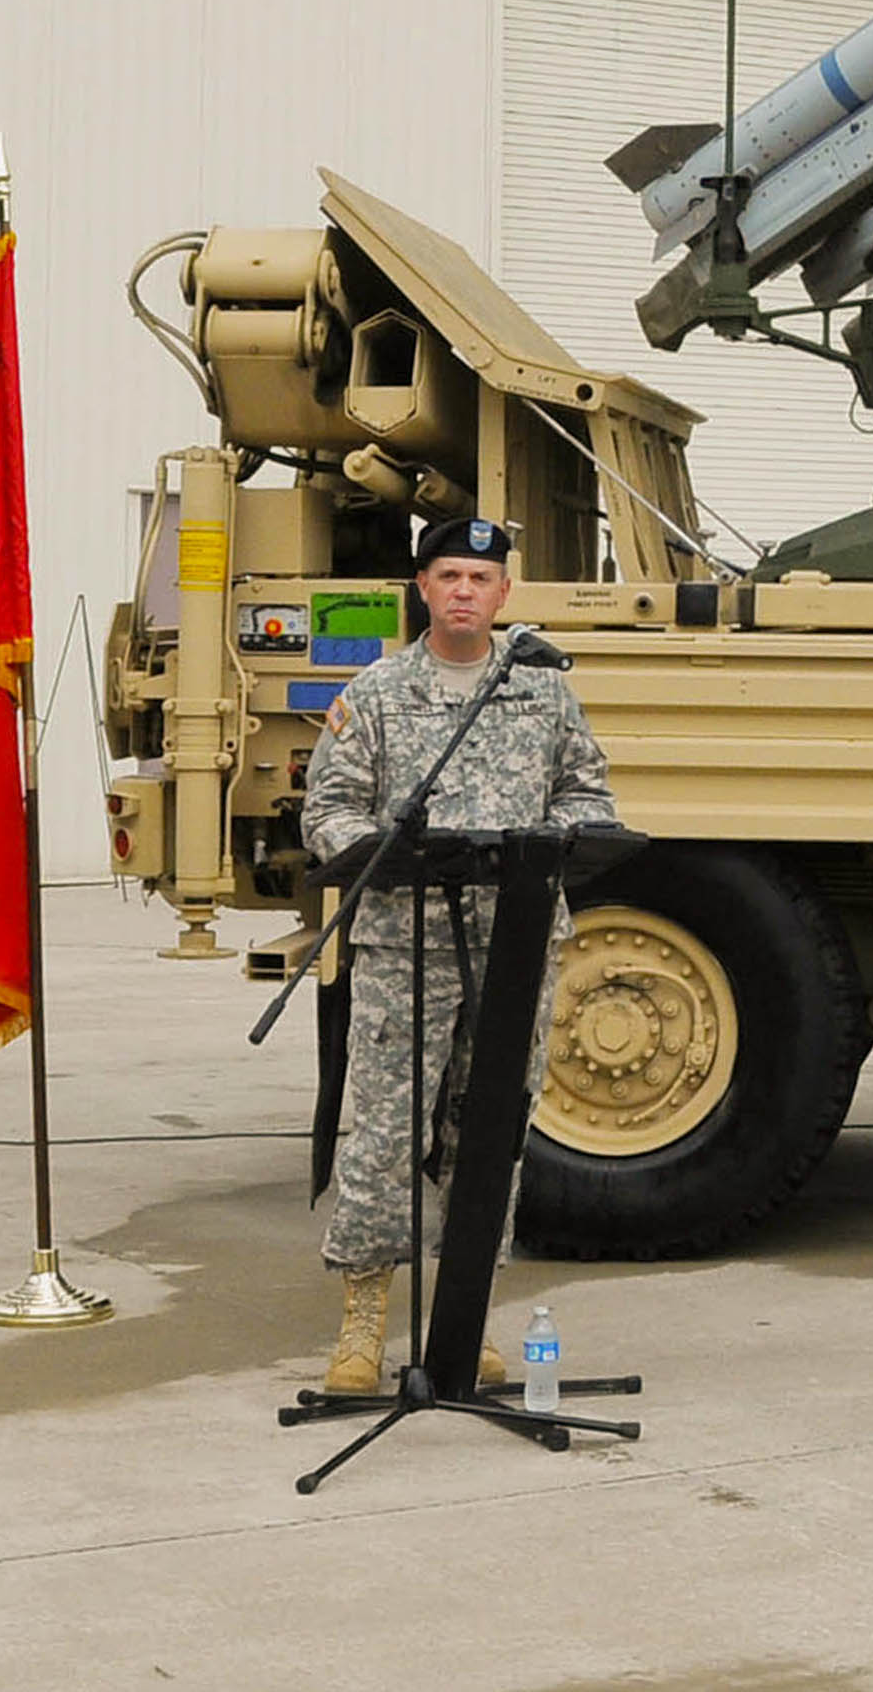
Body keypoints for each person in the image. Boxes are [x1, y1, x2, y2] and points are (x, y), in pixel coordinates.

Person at [302, 515, 614, 1395]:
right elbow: (328, 808)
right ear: (423, 589)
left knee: (489, 1132)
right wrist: (379, 849)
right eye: (448, 577)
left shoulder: (544, 693)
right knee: (391, 1131)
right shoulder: (378, 692)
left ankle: (464, 1314)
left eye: (481, 578)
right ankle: (363, 1322)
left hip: (512, 945)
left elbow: (587, 791)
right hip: (408, 942)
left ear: (505, 593)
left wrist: (551, 839)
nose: (465, 592)